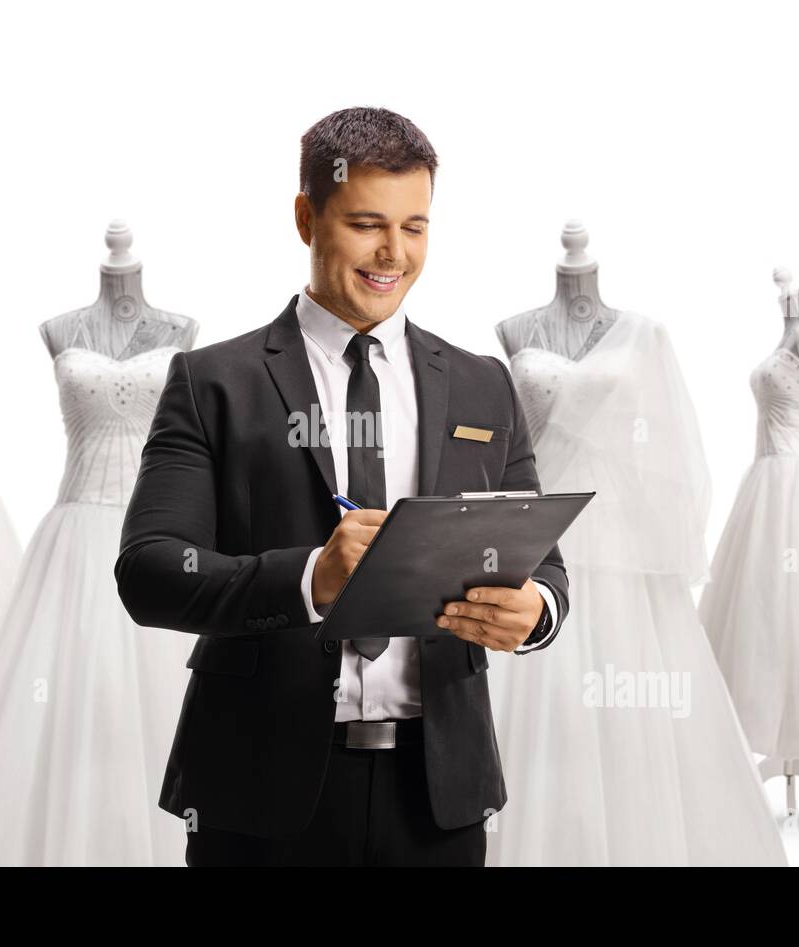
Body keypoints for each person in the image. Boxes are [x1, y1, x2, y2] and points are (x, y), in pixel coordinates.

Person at [114, 106, 569, 866]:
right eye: (367, 223)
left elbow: (542, 564)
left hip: (441, 796)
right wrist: (309, 577)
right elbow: (150, 572)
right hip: (258, 791)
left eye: (415, 226)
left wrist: (538, 611)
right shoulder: (212, 382)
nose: (394, 252)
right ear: (306, 216)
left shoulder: (484, 386)